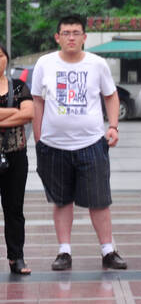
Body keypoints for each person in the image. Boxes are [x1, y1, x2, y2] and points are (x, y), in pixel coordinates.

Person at [30, 14, 127, 271]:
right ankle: (64, 251)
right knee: (61, 201)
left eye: (75, 33)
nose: (70, 37)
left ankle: (108, 250)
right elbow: (37, 102)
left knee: (99, 199)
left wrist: (113, 126)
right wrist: (39, 139)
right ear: (57, 37)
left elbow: (111, 96)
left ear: (84, 37)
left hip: (92, 144)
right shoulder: (44, 64)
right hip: (53, 146)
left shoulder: (97, 64)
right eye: (66, 33)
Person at [0, 43, 33, 274]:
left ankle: (16, 258)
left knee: (14, 209)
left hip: (15, 156)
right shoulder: (17, 95)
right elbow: (20, 113)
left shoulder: (19, 85)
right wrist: (14, 111)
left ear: (7, 59)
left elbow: (29, 114)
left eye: (0, 55)